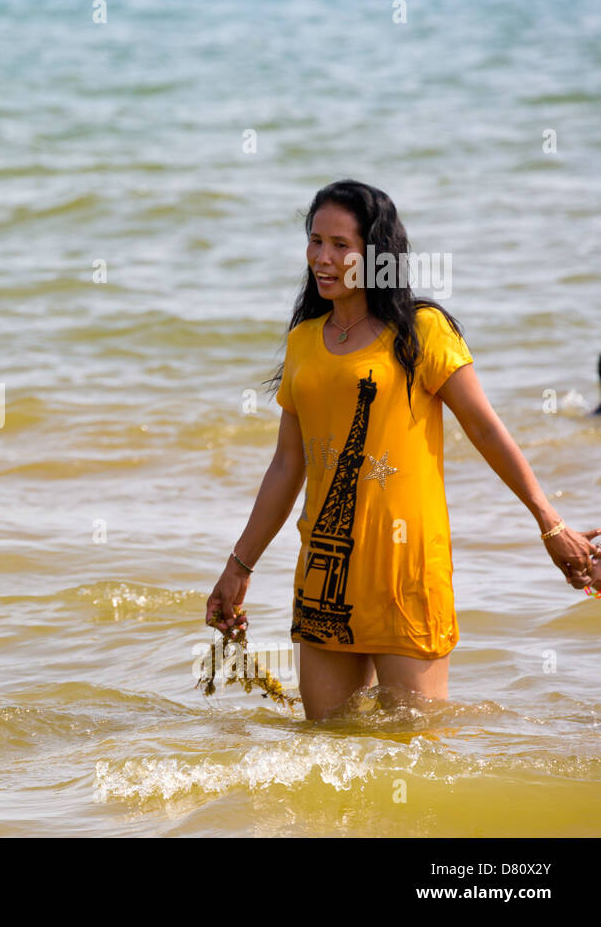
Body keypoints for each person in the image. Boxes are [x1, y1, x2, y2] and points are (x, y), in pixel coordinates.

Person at [204, 179, 601, 720]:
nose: (323, 257)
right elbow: (286, 465)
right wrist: (239, 565)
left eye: (341, 245)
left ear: (376, 255)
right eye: (315, 241)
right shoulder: (303, 343)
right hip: (325, 570)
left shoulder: (421, 332)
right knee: (328, 747)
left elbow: (486, 430)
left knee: (419, 751)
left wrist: (550, 524)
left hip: (405, 570)